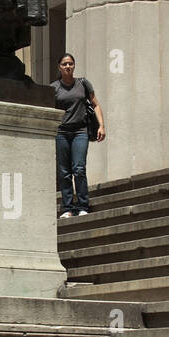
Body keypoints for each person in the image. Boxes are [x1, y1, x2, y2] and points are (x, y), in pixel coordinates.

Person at [53, 53, 105, 218]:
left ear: (74, 66)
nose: (68, 67)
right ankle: (67, 208)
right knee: (64, 171)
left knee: (79, 168)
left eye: (70, 64)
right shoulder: (54, 88)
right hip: (62, 132)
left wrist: (101, 125)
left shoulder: (83, 84)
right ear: (59, 67)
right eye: (64, 64)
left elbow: (95, 105)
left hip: (80, 131)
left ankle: (83, 205)